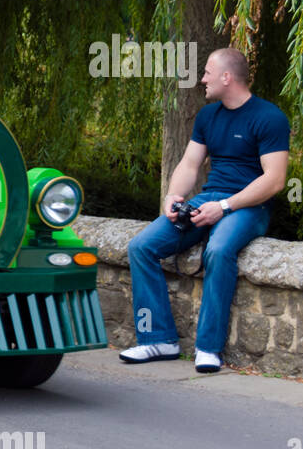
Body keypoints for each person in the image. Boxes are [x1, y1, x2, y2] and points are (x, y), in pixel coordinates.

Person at [121, 47, 290, 372]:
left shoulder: (269, 118)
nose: (202, 80)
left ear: (227, 77)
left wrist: (224, 207)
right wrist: (173, 196)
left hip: (248, 205)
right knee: (141, 247)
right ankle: (157, 339)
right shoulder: (208, 116)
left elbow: (275, 180)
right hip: (208, 198)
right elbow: (190, 163)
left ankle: (208, 348)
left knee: (219, 250)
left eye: (207, 73)